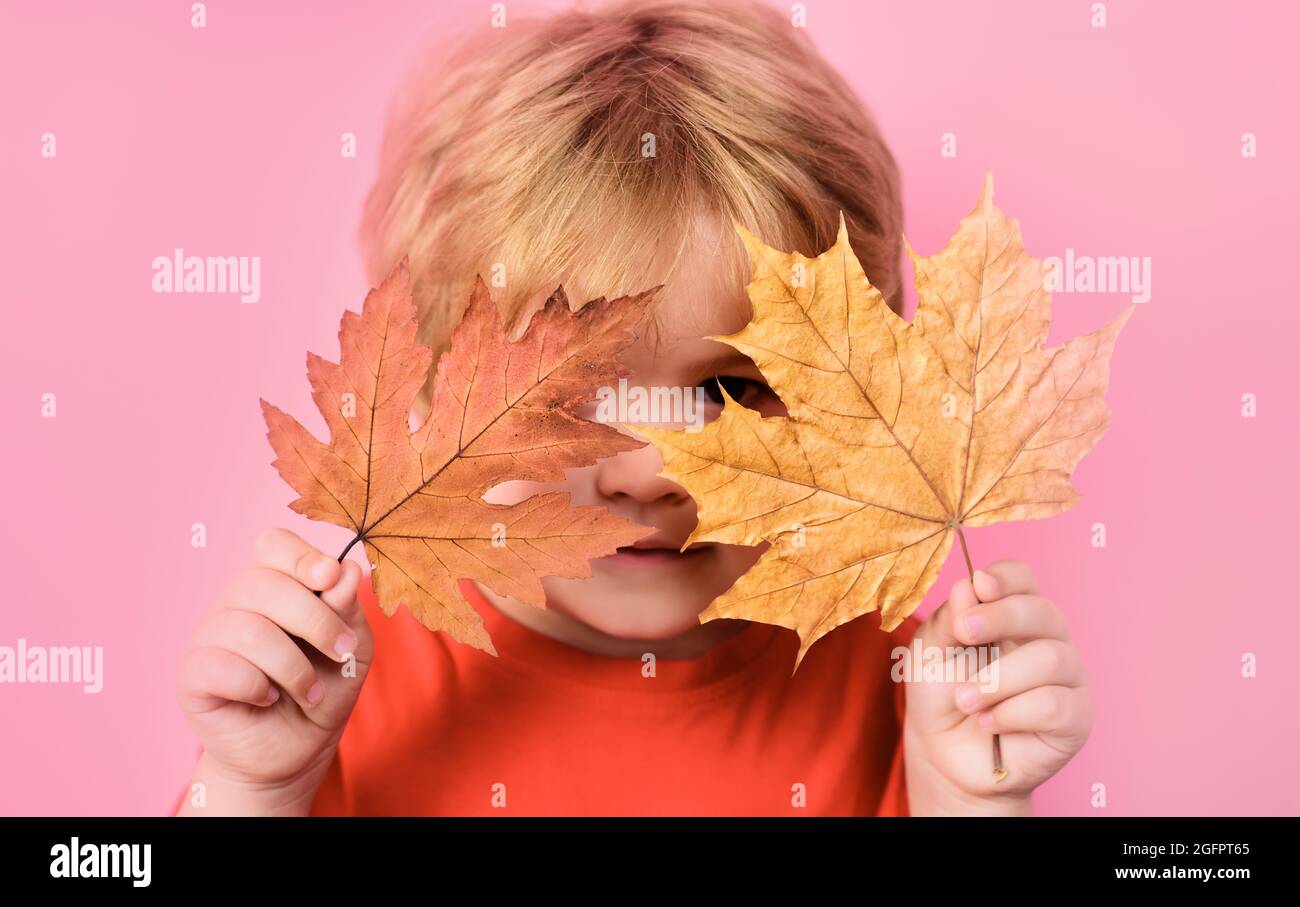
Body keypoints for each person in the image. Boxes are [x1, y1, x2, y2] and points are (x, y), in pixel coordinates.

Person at [173, 0, 1091, 816]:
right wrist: (253, 787)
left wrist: (970, 797)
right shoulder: (325, 687)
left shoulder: (909, 689)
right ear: (422, 386)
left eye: (732, 388)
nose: (653, 469)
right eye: (569, 398)